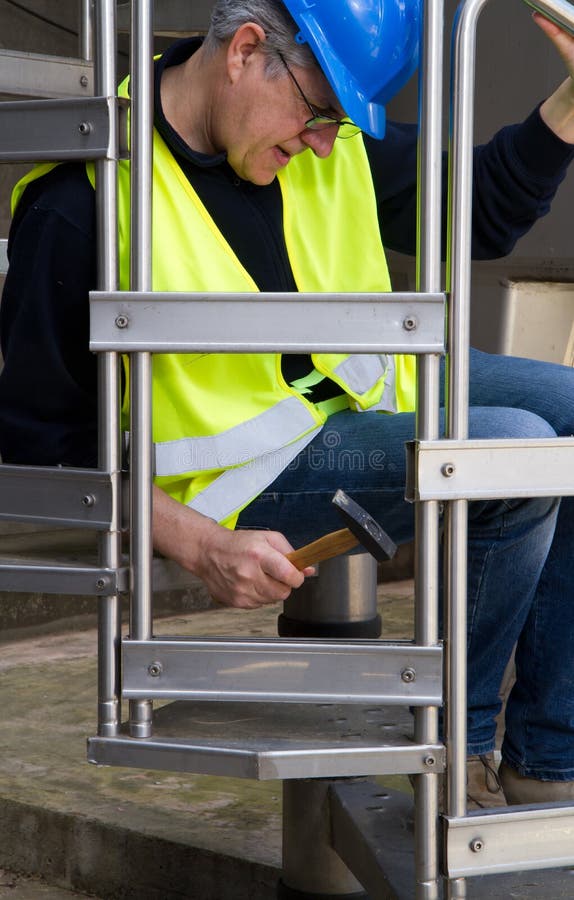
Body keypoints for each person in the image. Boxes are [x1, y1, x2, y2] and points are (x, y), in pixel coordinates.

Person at [1, 0, 574, 806]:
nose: (323, 142)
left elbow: (476, 205)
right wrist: (197, 544)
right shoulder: (81, 197)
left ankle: (550, 760)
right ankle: (460, 748)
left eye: (338, 123)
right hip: (238, 479)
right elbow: (38, 445)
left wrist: (571, 101)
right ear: (243, 51)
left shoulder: (319, 140)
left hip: (362, 404)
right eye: (318, 114)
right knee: (509, 450)